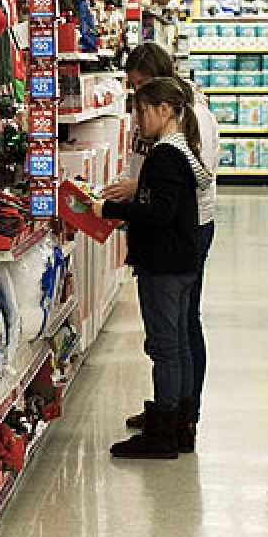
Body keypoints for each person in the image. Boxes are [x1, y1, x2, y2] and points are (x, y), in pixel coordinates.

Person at [99, 78, 207, 459]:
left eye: (142, 110)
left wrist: (107, 209)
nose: (138, 119)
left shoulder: (164, 155)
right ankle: (179, 425)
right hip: (181, 263)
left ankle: (162, 432)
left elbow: (158, 212)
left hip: (162, 265)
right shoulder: (183, 150)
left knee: (164, 348)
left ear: (164, 109)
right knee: (177, 345)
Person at [120, 42, 218, 436]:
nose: (136, 97)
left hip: (185, 229)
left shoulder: (193, 118)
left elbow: (191, 179)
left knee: (180, 326)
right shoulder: (157, 118)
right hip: (160, 222)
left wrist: (137, 194)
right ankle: (169, 403)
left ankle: (182, 412)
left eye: (141, 86)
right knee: (167, 330)